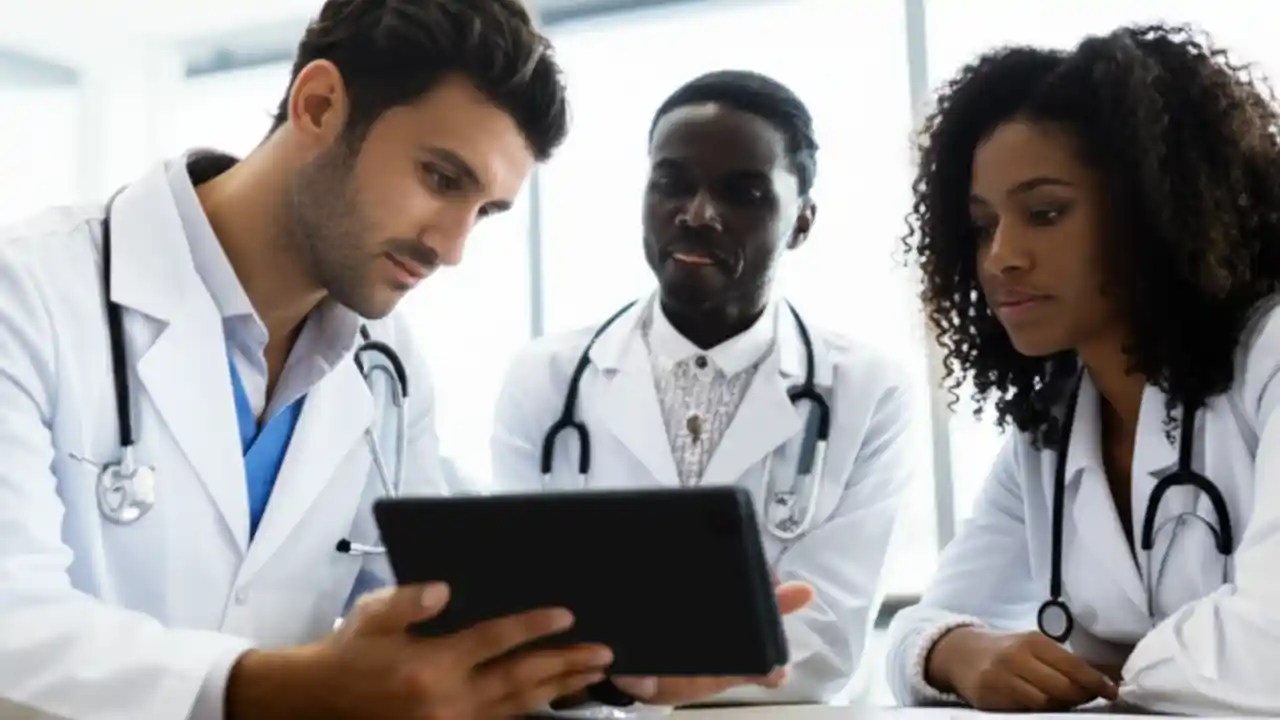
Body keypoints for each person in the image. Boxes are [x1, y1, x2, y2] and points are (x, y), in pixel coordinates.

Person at [0, 2, 803, 718]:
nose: (452, 246)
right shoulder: (31, 295)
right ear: (319, 106)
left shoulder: (384, 363)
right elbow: (14, 625)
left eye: (482, 210)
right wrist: (284, 688)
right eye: (439, 177)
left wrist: (597, 668)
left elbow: (429, 614)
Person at [886, 23, 1280, 716]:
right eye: (981, 226)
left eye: (1045, 213)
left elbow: (1267, 648)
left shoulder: (1269, 357)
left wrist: (1098, 671)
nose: (1001, 256)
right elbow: (923, 628)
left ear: (1160, 211)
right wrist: (960, 652)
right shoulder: (1054, 430)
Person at [490, 69, 915, 706]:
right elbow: (515, 613)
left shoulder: (867, 390)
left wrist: (607, 663)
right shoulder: (547, 379)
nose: (696, 214)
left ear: (801, 222)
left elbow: (824, 645)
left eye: (742, 192)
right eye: (672, 184)